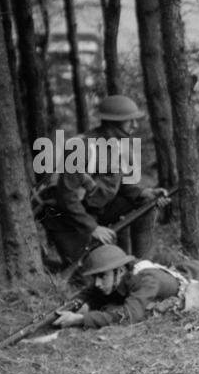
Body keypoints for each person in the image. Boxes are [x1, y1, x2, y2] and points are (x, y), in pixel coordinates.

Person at [37, 95, 171, 266]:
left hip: (95, 210)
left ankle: (141, 266)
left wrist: (145, 193)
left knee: (147, 204)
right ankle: (46, 264)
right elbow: (66, 196)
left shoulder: (120, 146)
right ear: (112, 122)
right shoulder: (82, 147)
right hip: (65, 217)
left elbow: (119, 184)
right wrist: (93, 228)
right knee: (86, 274)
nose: (135, 126)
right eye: (129, 121)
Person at [53, 245, 199, 330]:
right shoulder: (124, 277)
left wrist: (81, 319)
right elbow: (93, 292)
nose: (98, 283)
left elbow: (130, 316)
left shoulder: (146, 281)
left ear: (119, 271)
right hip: (192, 274)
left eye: (102, 276)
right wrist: (79, 302)